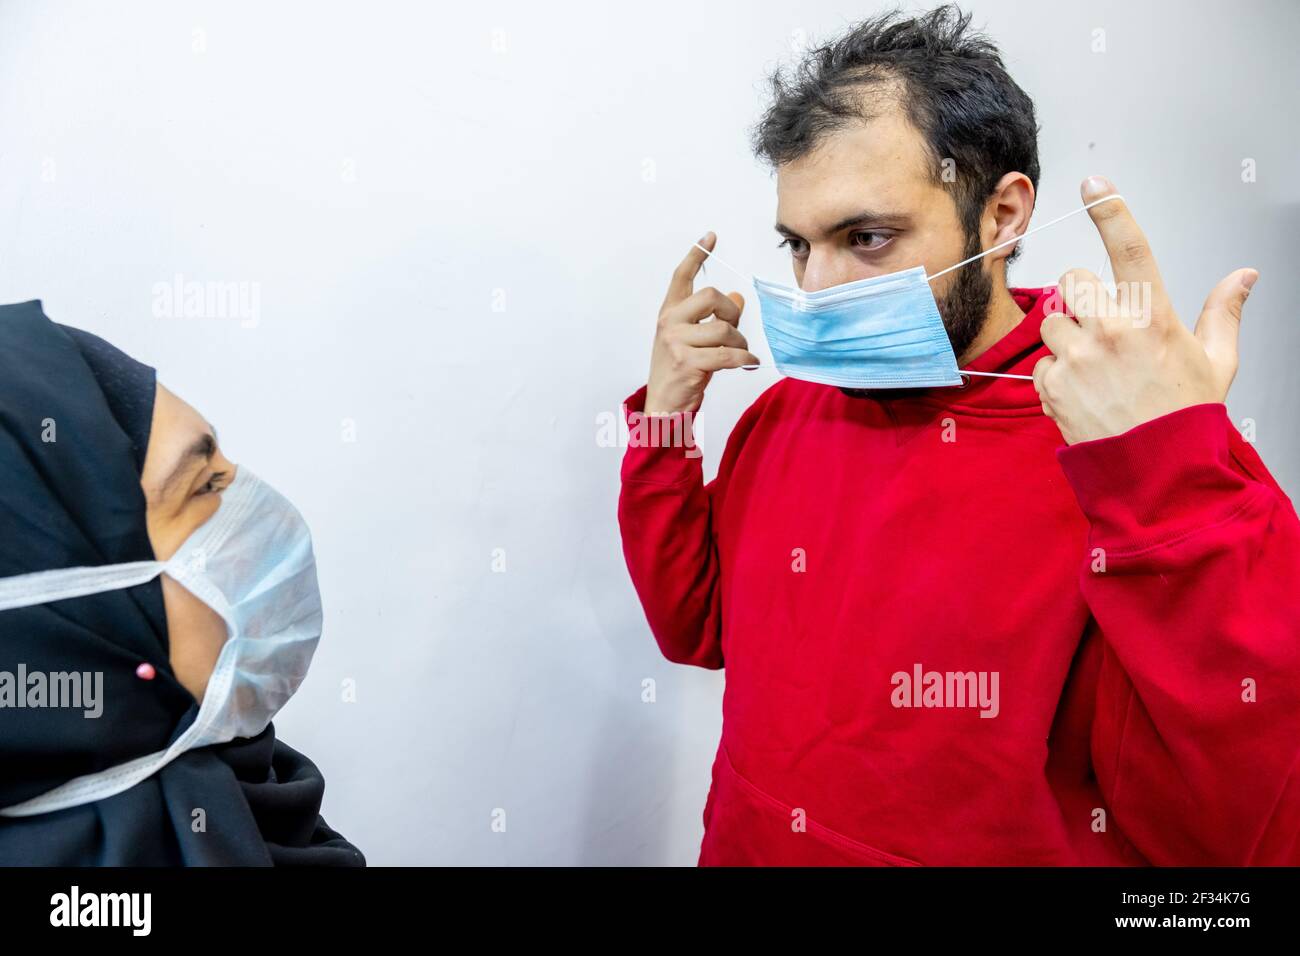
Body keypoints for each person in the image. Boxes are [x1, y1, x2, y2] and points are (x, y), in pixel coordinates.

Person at [617, 7, 1300, 865]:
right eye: (799, 244)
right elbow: (693, 627)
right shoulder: (788, 411)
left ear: (1004, 214)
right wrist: (668, 421)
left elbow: (1239, 830)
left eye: (867, 238)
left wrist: (1171, 473)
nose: (818, 287)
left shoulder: (1120, 437)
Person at [0, 299, 363, 866]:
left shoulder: (244, 785)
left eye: (225, 469)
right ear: (60, 626)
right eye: (202, 488)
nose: (255, 514)